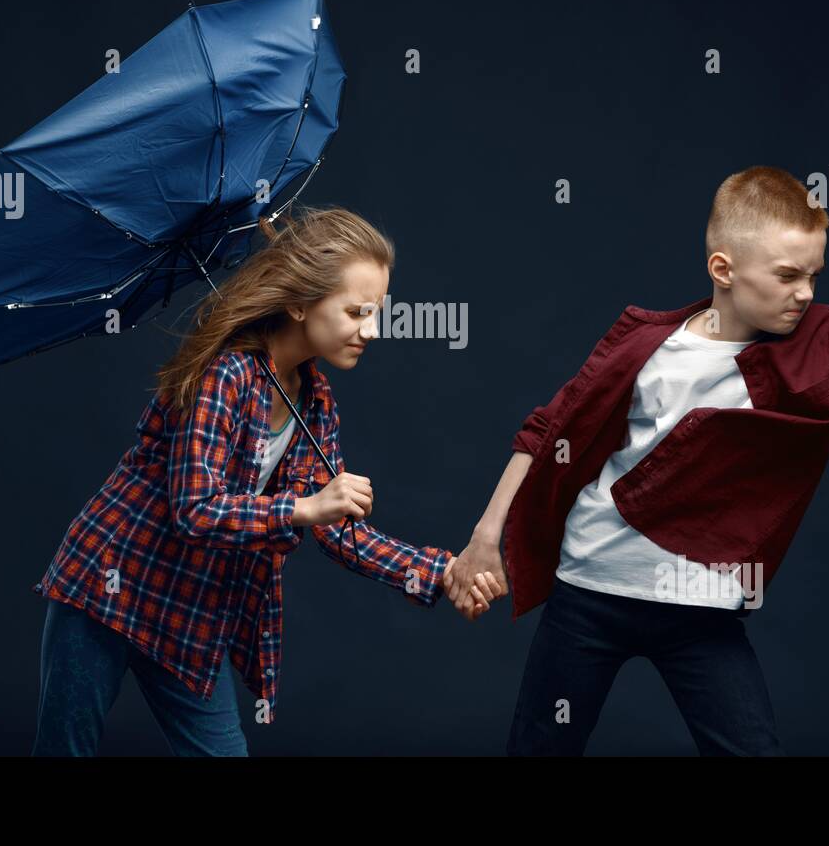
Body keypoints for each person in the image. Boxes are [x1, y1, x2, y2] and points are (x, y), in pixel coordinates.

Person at [450, 166, 829, 755]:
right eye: (786, 275)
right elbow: (546, 431)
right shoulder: (647, 346)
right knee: (538, 748)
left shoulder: (825, 348)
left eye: (813, 275)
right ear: (723, 269)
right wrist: (484, 537)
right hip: (590, 589)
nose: (805, 292)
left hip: (700, 610)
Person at [30, 204, 488, 756]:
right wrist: (303, 509)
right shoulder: (225, 375)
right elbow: (195, 508)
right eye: (357, 311)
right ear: (298, 303)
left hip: (189, 610)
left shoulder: (314, 405)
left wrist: (442, 572)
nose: (371, 330)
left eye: (378, 313)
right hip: (108, 585)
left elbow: (337, 529)